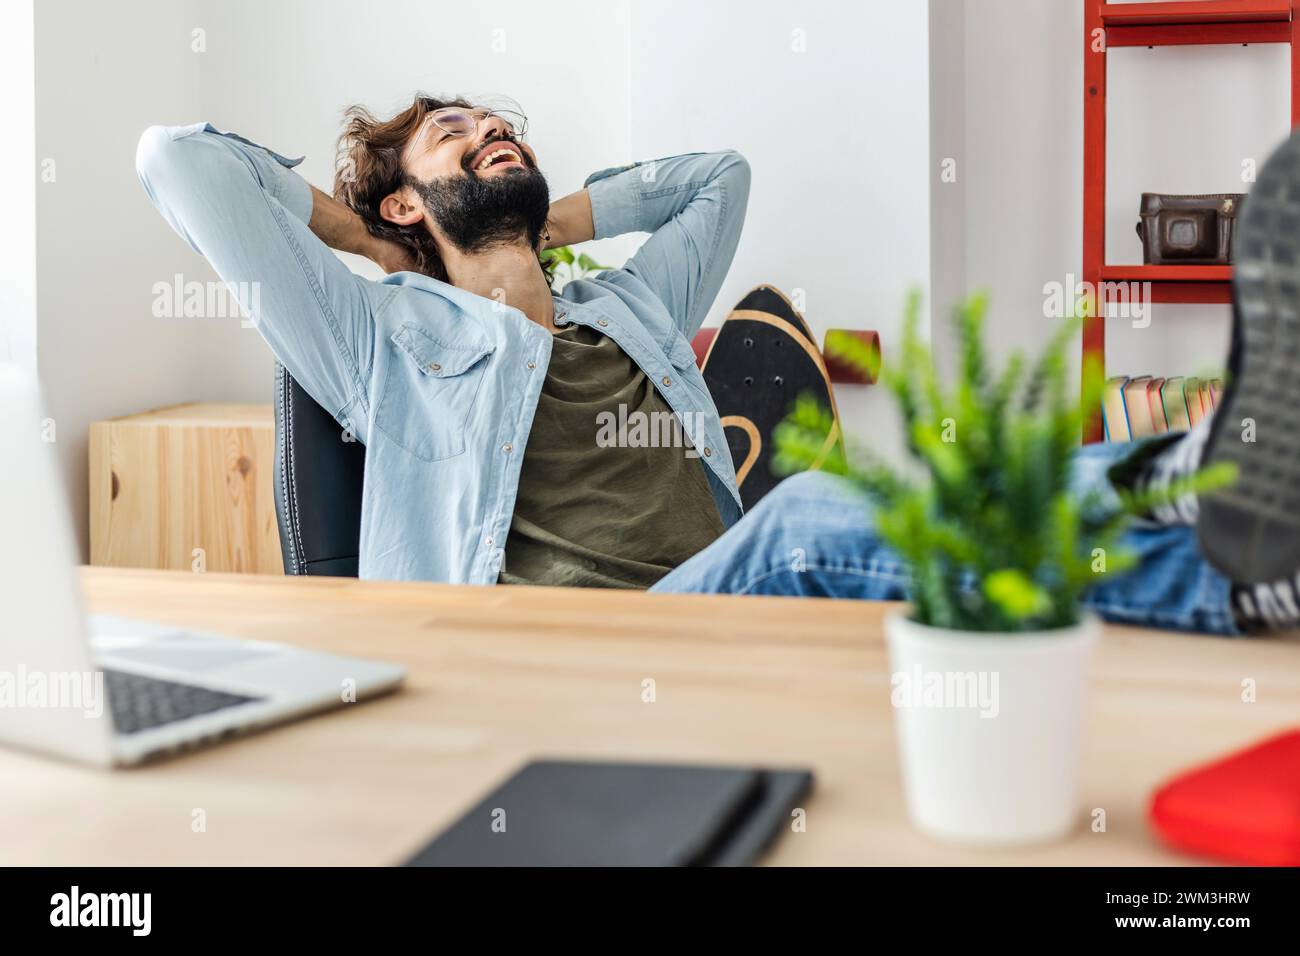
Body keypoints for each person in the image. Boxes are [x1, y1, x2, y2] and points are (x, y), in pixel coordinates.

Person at [136, 95, 1300, 637]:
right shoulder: (382, 341)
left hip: (723, 612)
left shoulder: (630, 305)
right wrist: (372, 236)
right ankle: (1213, 521)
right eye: (455, 135)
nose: (494, 132)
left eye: (505, 129)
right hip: (564, 653)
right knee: (802, 519)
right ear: (402, 195)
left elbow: (720, 176)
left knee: (924, 527)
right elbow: (178, 161)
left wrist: (540, 217)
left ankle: (1211, 506)